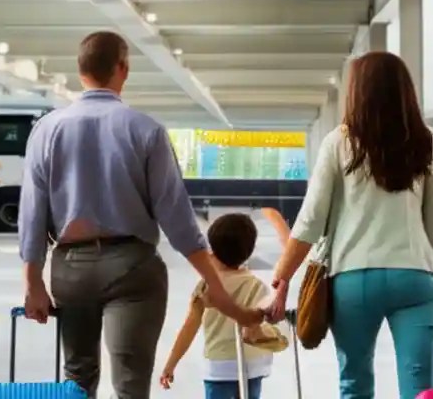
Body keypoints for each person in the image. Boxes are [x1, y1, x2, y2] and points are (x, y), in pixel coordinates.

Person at [19, 31, 263, 399]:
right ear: (123, 69)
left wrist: (33, 282)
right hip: (131, 267)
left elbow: (32, 214)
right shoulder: (145, 130)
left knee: (76, 379)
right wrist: (213, 279)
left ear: (80, 70)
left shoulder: (47, 131)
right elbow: (176, 218)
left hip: (70, 268)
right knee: (131, 382)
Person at [265, 52, 433, 399]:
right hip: (418, 279)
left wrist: (281, 281)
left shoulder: (339, 142)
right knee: (421, 387)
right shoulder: (429, 143)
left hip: (353, 280)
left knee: (354, 382)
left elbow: (310, 220)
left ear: (357, 92)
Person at [159, 213, 288, 399]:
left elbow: (189, 328)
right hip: (252, 365)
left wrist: (170, 365)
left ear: (213, 250)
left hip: (220, 368)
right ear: (249, 250)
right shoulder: (256, 285)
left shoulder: (206, 287)